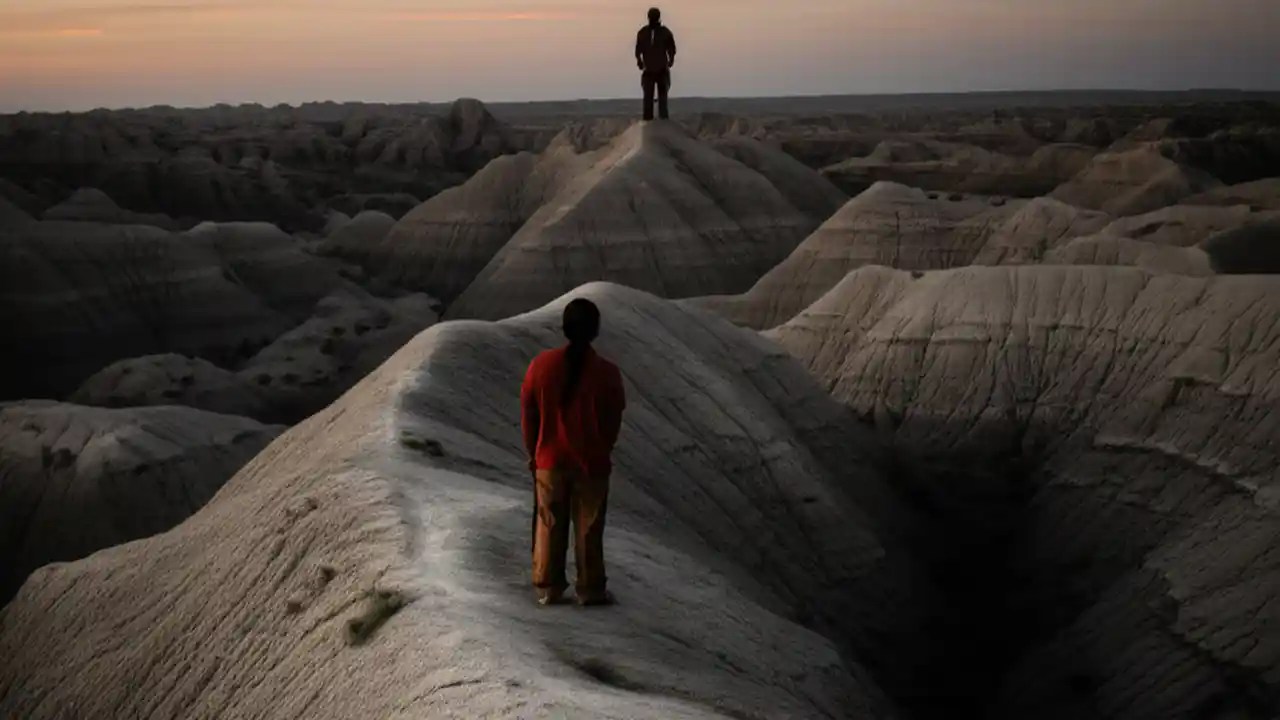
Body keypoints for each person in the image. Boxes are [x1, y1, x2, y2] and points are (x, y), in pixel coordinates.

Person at [521, 299, 626, 606]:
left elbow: (529, 414)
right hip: (592, 463)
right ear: (595, 330)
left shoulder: (540, 366)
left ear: (564, 328)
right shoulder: (607, 373)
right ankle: (590, 589)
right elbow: (613, 420)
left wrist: (534, 452)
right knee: (589, 528)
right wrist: (601, 448)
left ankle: (549, 587)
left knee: (549, 524)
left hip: (549, 460)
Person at [635, 7, 676, 121]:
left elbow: (671, 49)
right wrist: (639, 61)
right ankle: (649, 123)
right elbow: (638, 51)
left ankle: (663, 123)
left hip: (661, 70)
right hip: (649, 71)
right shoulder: (643, 33)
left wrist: (671, 60)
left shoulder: (664, 32)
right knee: (648, 100)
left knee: (662, 101)